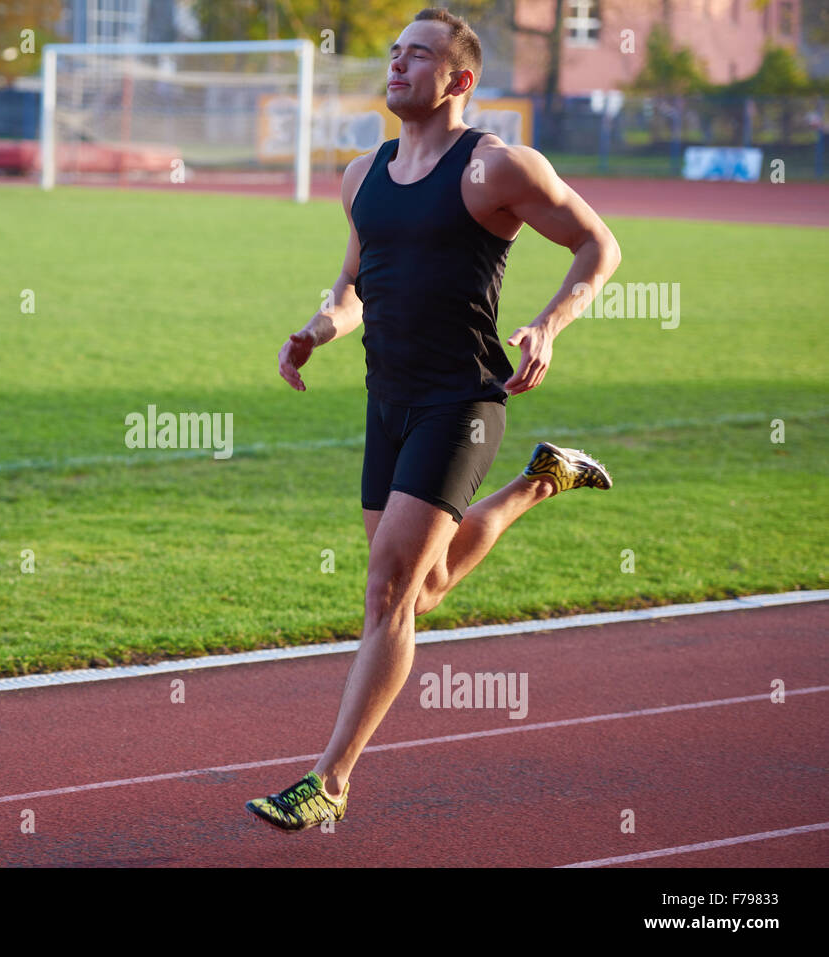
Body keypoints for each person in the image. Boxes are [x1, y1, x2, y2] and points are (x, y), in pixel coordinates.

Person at [246, 7, 622, 832]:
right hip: (390, 403)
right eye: (393, 53)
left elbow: (599, 245)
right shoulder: (361, 175)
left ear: (459, 80)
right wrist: (318, 329)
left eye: (418, 56)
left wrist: (548, 326)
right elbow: (355, 286)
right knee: (430, 583)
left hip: (462, 400)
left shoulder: (496, 169)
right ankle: (542, 479)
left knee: (388, 590)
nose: (397, 66)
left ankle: (329, 781)